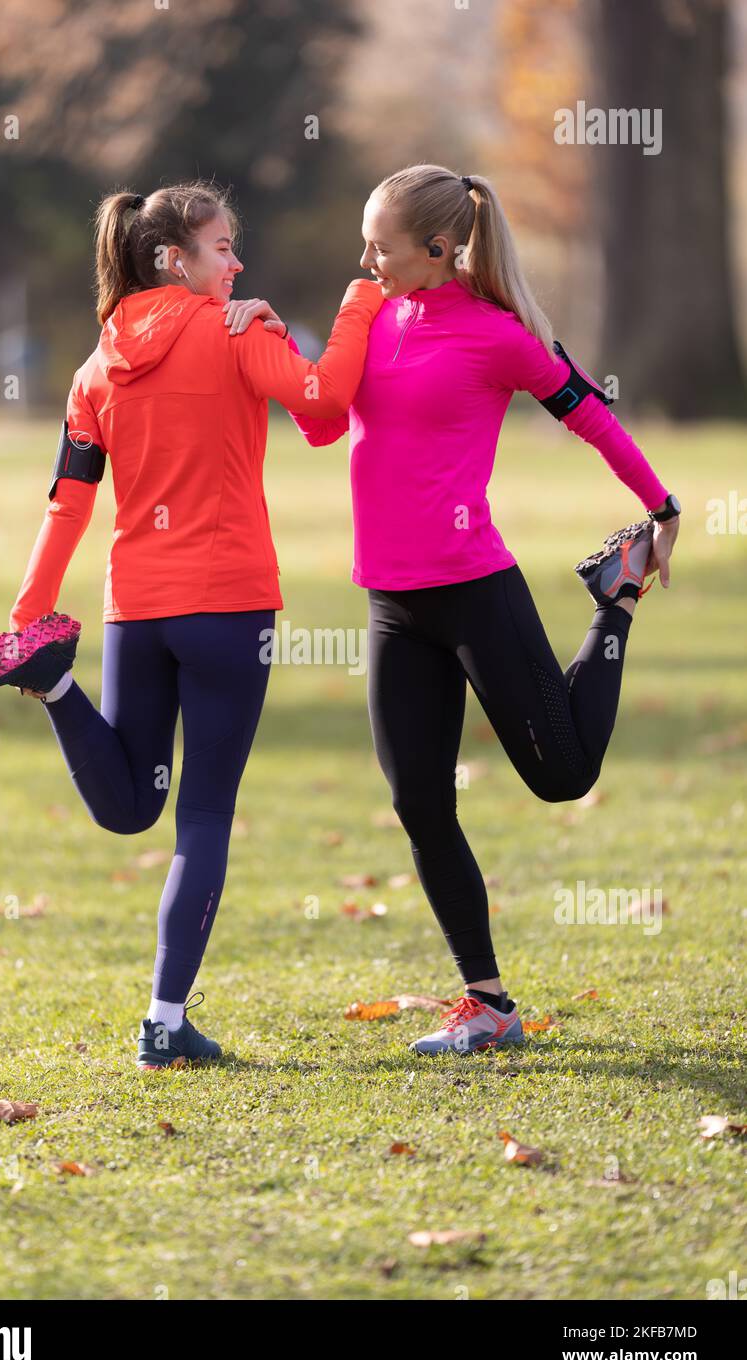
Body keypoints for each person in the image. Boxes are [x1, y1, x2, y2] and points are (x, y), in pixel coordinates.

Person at [226, 164, 680, 1055]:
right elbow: (320, 412)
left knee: (561, 777)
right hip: (392, 600)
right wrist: (267, 333)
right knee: (418, 803)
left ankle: (613, 600)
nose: (366, 259)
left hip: (474, 589)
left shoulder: (497, 336)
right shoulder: (376, 315)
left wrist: (661, 508)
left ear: (437, 249)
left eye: (380, 246)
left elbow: (589, 413)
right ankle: (487, 1003)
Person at [0, 179, 383, 1067]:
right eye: (223, 248)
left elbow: (66, 507)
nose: (236, 263)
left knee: (133, 806)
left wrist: (28, 617)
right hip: (230, 605)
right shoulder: (235, 332)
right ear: (173, 258)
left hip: (137, 613)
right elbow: (323, 399)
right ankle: (163, 1021)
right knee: (201, 814)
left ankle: (54, 684)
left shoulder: (94, 367)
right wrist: (359, 301)